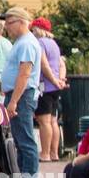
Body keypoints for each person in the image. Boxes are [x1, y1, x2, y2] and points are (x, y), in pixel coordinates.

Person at [1, 6, 43, 178]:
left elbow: (24, 74)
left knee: (25, 140)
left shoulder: (26, 43)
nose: (7, 27)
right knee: (19, 139)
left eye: (10, 23)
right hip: (18, 95)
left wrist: (13, 101)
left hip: (22, 96)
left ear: (22, 22)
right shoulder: (22, 42)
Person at [30, 17, 66, 162]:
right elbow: (62, 65)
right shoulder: (54, 44)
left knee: (43, 121)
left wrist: (53, 81)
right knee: (53, 121)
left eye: (33, 29)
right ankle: (54, 153)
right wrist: (60, 80)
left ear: (37, 29)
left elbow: (44, 66)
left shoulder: (39, 43)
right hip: (55, 88)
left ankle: (44, 153)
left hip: (45, 86)